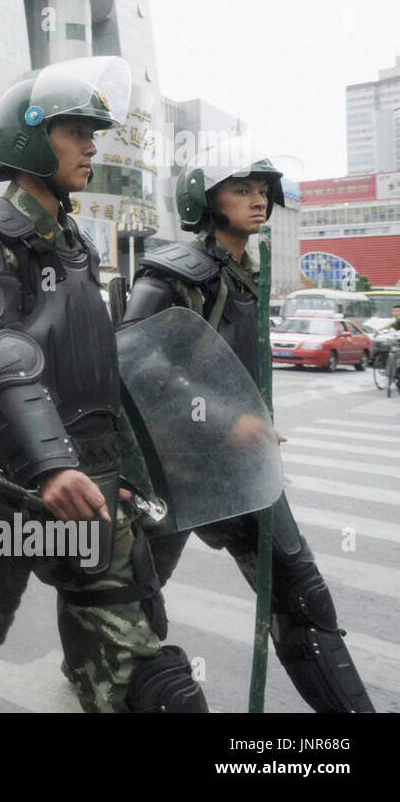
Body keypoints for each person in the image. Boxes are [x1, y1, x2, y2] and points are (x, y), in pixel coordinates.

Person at [0, 56, 208, 713]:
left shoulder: (74, 244)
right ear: (28, 137)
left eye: (93, 130)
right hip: (8, 492)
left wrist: (109, 464)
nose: (92, 143)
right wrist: (49, 465)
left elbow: (98, 373)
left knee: (153, 683)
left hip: (87, 496)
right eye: (74, 129)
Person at [121, 141, 373, 712]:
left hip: (240, 466)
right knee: (131, 607)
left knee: (301, 597)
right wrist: (223, 414)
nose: (258, 200)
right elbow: (134, 359)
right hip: (173, 466)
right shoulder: (173, 272)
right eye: (242, 190)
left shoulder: (248, 274)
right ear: (206, 201)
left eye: (262, 191)